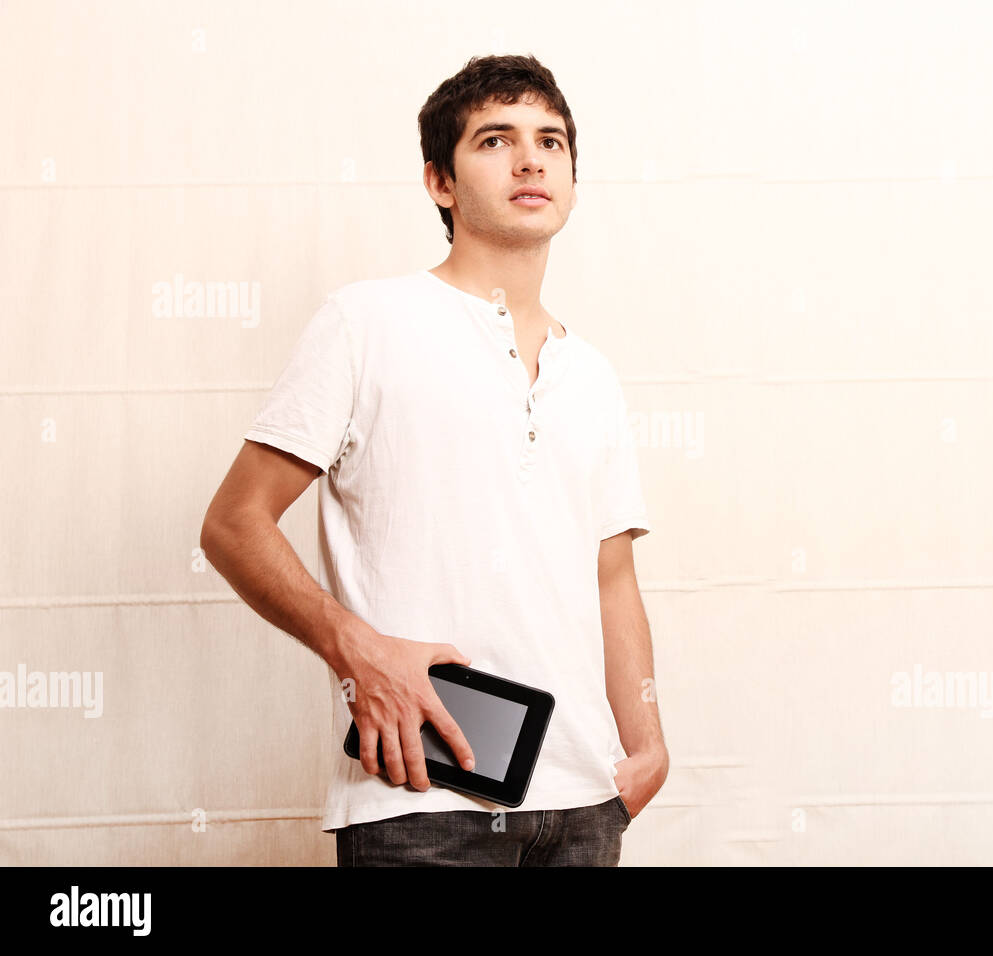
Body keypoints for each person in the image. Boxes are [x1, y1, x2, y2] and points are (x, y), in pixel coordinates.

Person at [199, 53, 668, 866]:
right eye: (496, 140)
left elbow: (611, 572)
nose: (530, 160)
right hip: (422, 802)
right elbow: (233, 524)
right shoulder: (366, 323)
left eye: (550, 142)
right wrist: (359, 650)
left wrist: (647, 745)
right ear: (439, 183)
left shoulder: (590, 372)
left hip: (587, 806)